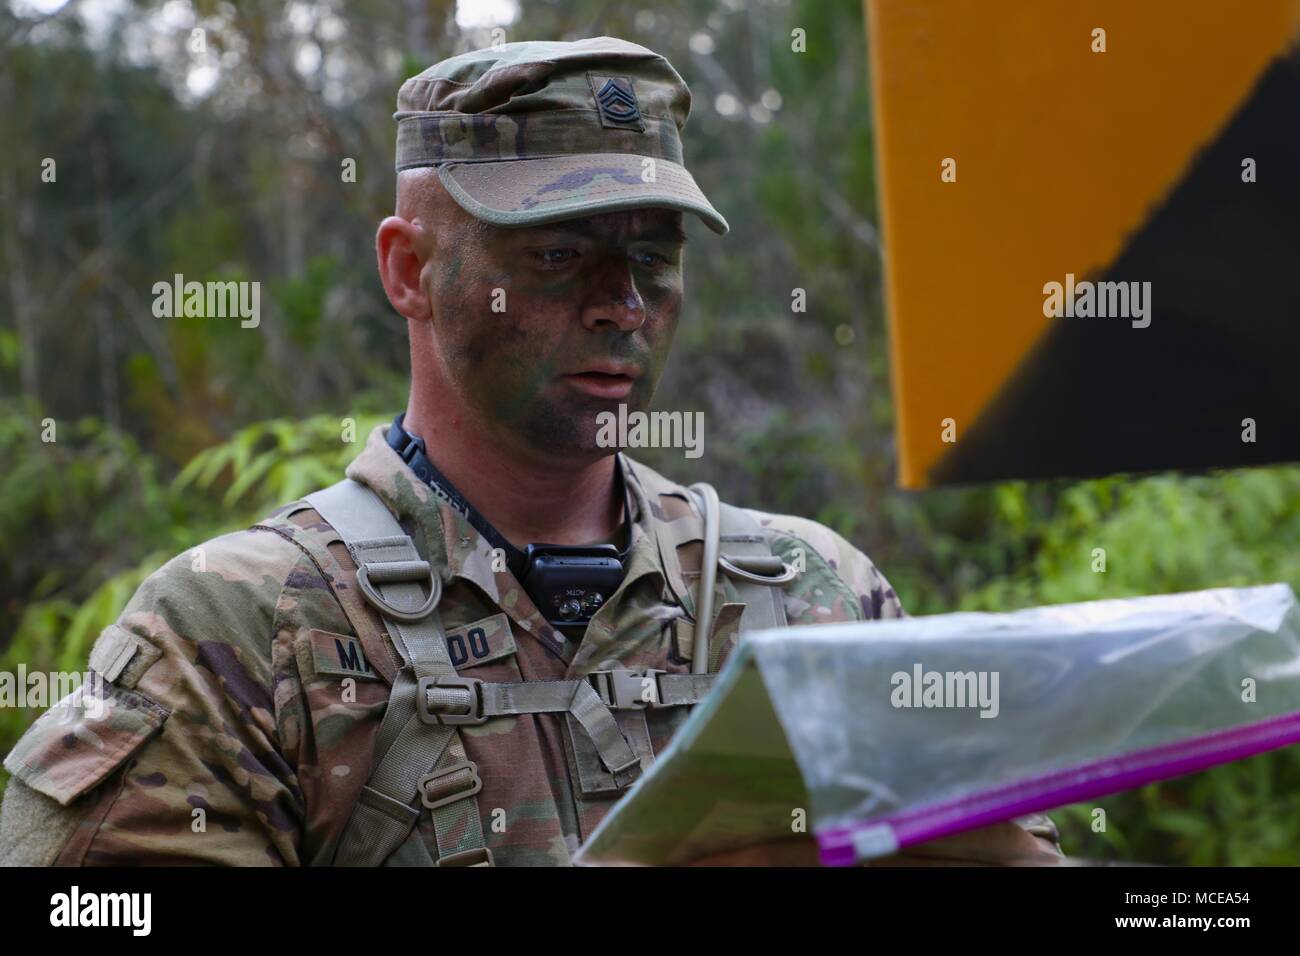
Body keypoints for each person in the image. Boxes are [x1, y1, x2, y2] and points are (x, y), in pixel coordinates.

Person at [0, 37, 1054, 867]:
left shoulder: (813, 596)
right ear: (408, 270)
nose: (623, 304)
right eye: (557, 256)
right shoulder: (236, 634)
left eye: (652, 258)